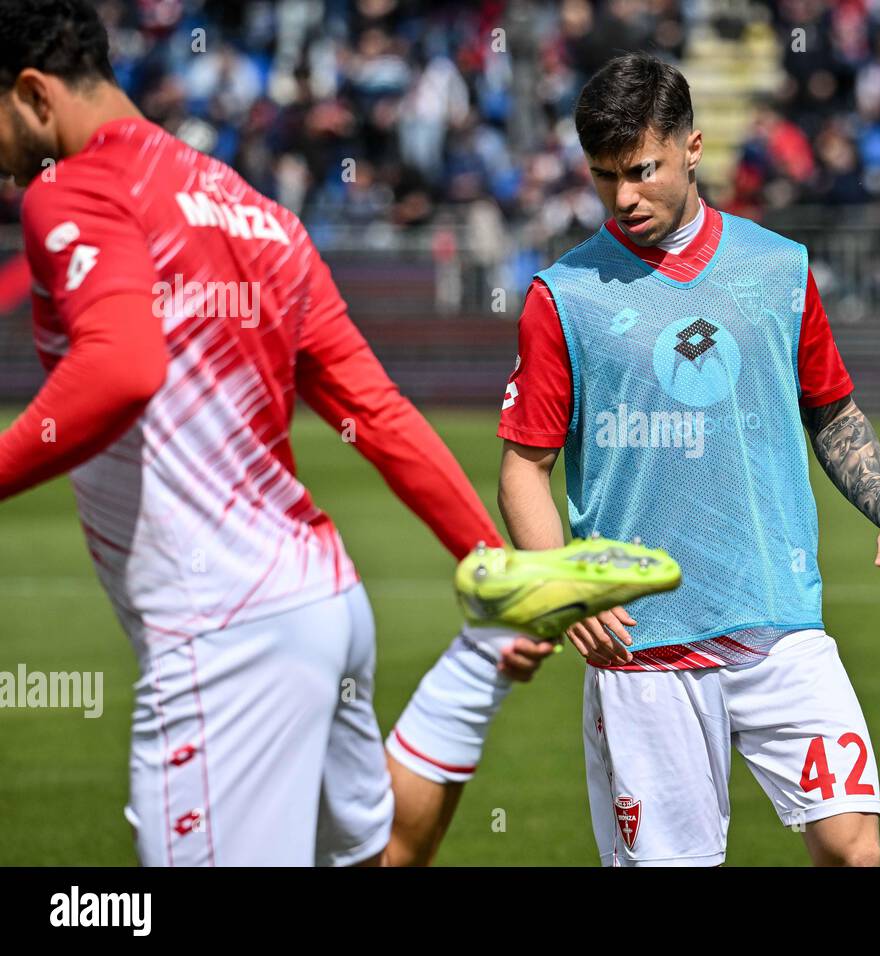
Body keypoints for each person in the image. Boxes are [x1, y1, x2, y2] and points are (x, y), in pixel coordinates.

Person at [0, 0, 554, 867]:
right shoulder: (254, 209)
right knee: (379, 857)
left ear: (33, 94)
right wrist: (498, 563)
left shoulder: (73, 189)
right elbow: (376, 416)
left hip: (221, 632)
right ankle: (478, 655)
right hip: (322, 606)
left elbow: (121, 369)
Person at [497, 53, 880, 866]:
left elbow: (830, 409)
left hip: (779, 623)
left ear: (693, 148)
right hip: (642, 644)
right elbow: (525, 466)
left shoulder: (779, 268)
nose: (623, 198)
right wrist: (563, 588)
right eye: (602, 178)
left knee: (855, 850)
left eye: (642, 171)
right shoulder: (564, 296)